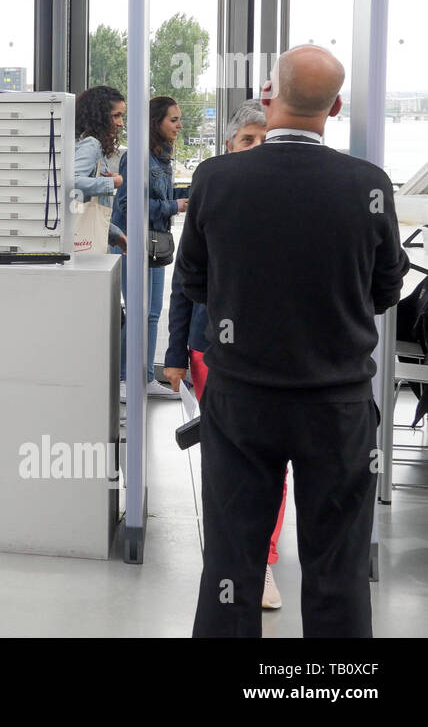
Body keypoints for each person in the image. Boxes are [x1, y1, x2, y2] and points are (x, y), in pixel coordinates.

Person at [177, 45, 409, 637]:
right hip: (337, 404)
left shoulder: (216, 177)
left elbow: (194, 280)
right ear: (335, 106)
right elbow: (387, 287)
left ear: (267, 95)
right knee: (338, 565)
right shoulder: (369, 184)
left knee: (232, 561)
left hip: (240, 401)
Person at [163, 99, 289, 611]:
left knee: (271, 460)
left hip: (275, 350)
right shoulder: (212, 194)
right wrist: (173, 352)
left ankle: (261, 561)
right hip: (210, 347)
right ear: (230, 145)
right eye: (246, 141)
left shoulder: (292, 202)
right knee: (223, 460)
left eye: (265, 140)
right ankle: (229, 553)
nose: (255, 150)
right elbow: (184, 282)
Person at [112, 96, 186, 402]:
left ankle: (144, 377)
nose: (180, 126)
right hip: (132, 243)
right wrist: (173, 205)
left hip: (154, 244)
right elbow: (127, 204)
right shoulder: (137, 157)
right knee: (139, 312)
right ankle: (125, 378)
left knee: (153, 313)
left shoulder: (162, 158)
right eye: (173, 120)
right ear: (156, 123)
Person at [73, 85, 126, 251]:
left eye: (122, 116)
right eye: (116, 116)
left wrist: (116, 235)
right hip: (84, 246)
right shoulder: (92, 144)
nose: (121, 123)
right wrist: (112, 183)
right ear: (100, 117)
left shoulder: (89, 143)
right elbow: (71, 181)